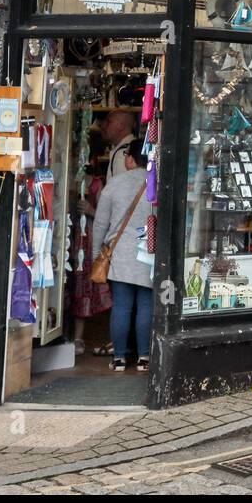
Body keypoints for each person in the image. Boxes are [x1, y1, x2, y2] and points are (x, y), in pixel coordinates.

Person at [91, 142, 153, 372]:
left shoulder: (114, 185)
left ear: (130, 159)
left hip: (119, 254)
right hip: (147, 251)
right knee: (146, 304)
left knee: (122, 306)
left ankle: (119, 358)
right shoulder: (156, 184)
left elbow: (100, 224)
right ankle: (144, 358)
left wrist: (96, 254)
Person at [71, 135, 112, 357]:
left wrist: (90, 211)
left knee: (82, 285)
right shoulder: (67, 175)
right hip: (67, 237)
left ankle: (78, 336)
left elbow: (106, 218)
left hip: (84, 241)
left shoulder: (96, 184)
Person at [100, 110, 137, 180]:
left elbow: (123, 189)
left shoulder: (122, 155)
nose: (104, 126)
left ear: (120, 126)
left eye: (108, 122)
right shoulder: (132, 148)